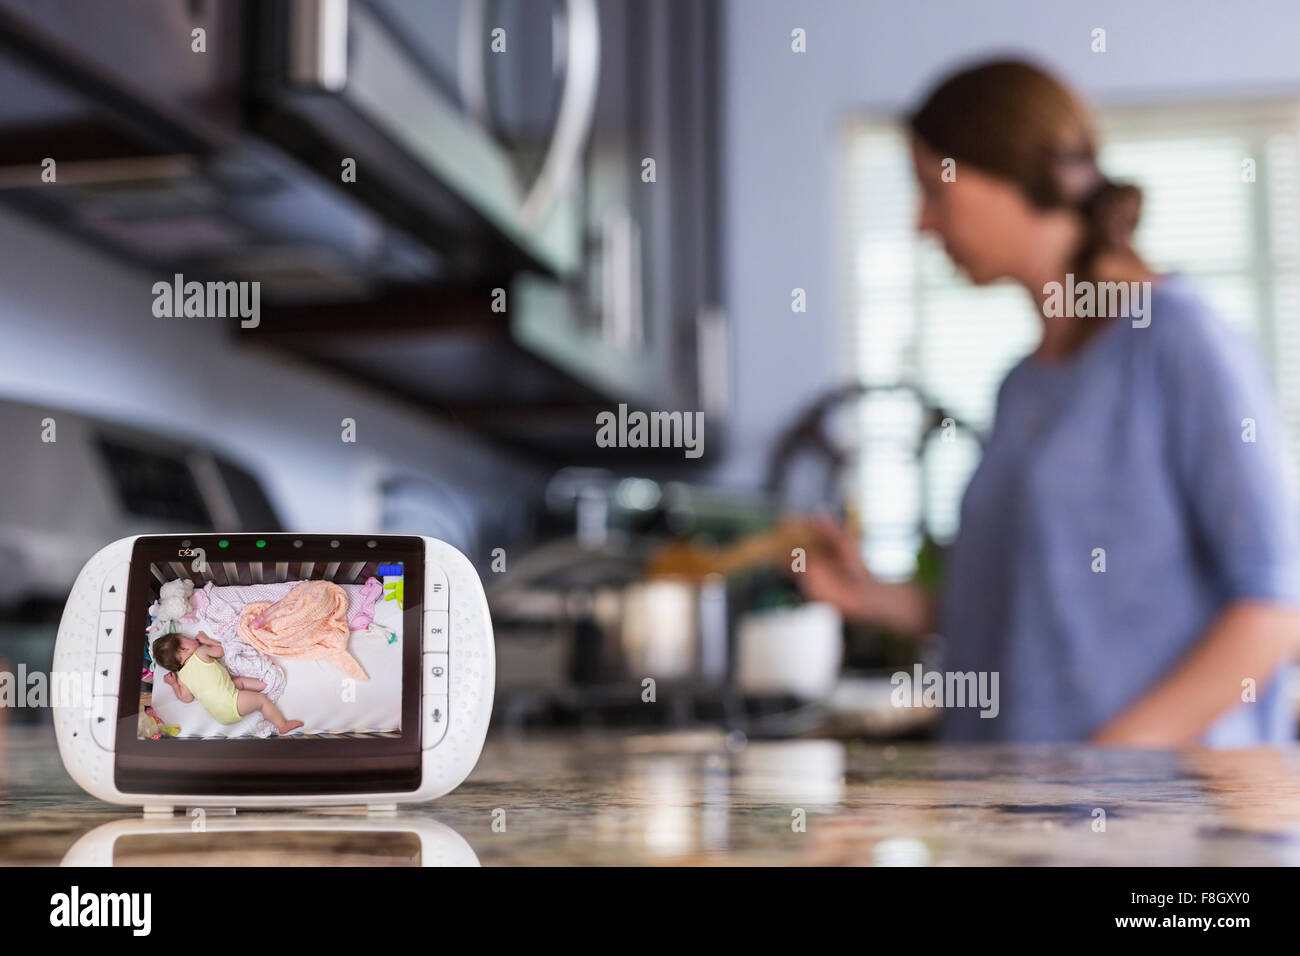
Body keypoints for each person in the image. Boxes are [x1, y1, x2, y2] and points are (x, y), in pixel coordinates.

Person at [795, 59, 1300, 747]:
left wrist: (1099, 774)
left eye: (932, 188)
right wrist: (879, 599)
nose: (921, 222)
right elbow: (1036, 609)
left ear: (1013, 174)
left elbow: (1275, 609)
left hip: (1158, 840)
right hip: (1023, 833)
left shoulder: (1179, 342)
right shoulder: (1022, 384)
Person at [152, 631, 304, 735]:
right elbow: (222, 651)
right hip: (231, 703)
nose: (193, 638)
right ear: (183, 648)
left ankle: (262, 685)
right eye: (186, 637)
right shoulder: (200, 653)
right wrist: (207, 641)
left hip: (219, 715)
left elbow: (186, 698)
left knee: (236, 682)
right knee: (262, 701)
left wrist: (173, 684)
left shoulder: (182, 677)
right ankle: (282, 725)